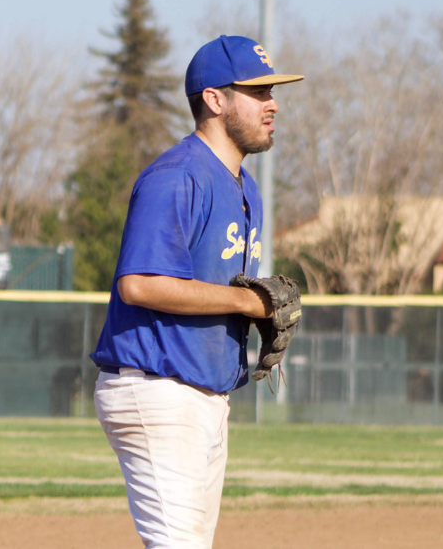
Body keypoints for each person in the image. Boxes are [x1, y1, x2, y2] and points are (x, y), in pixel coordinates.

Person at [90, 34, 303, 549]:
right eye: (257, 92)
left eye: (272, 90)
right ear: (215, 99)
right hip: (158, 388)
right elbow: (138, 283)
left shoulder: (243, 185)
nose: (272, 102)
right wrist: (245, 303)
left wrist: (250, 313)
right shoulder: (177, 176)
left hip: (205, 394)